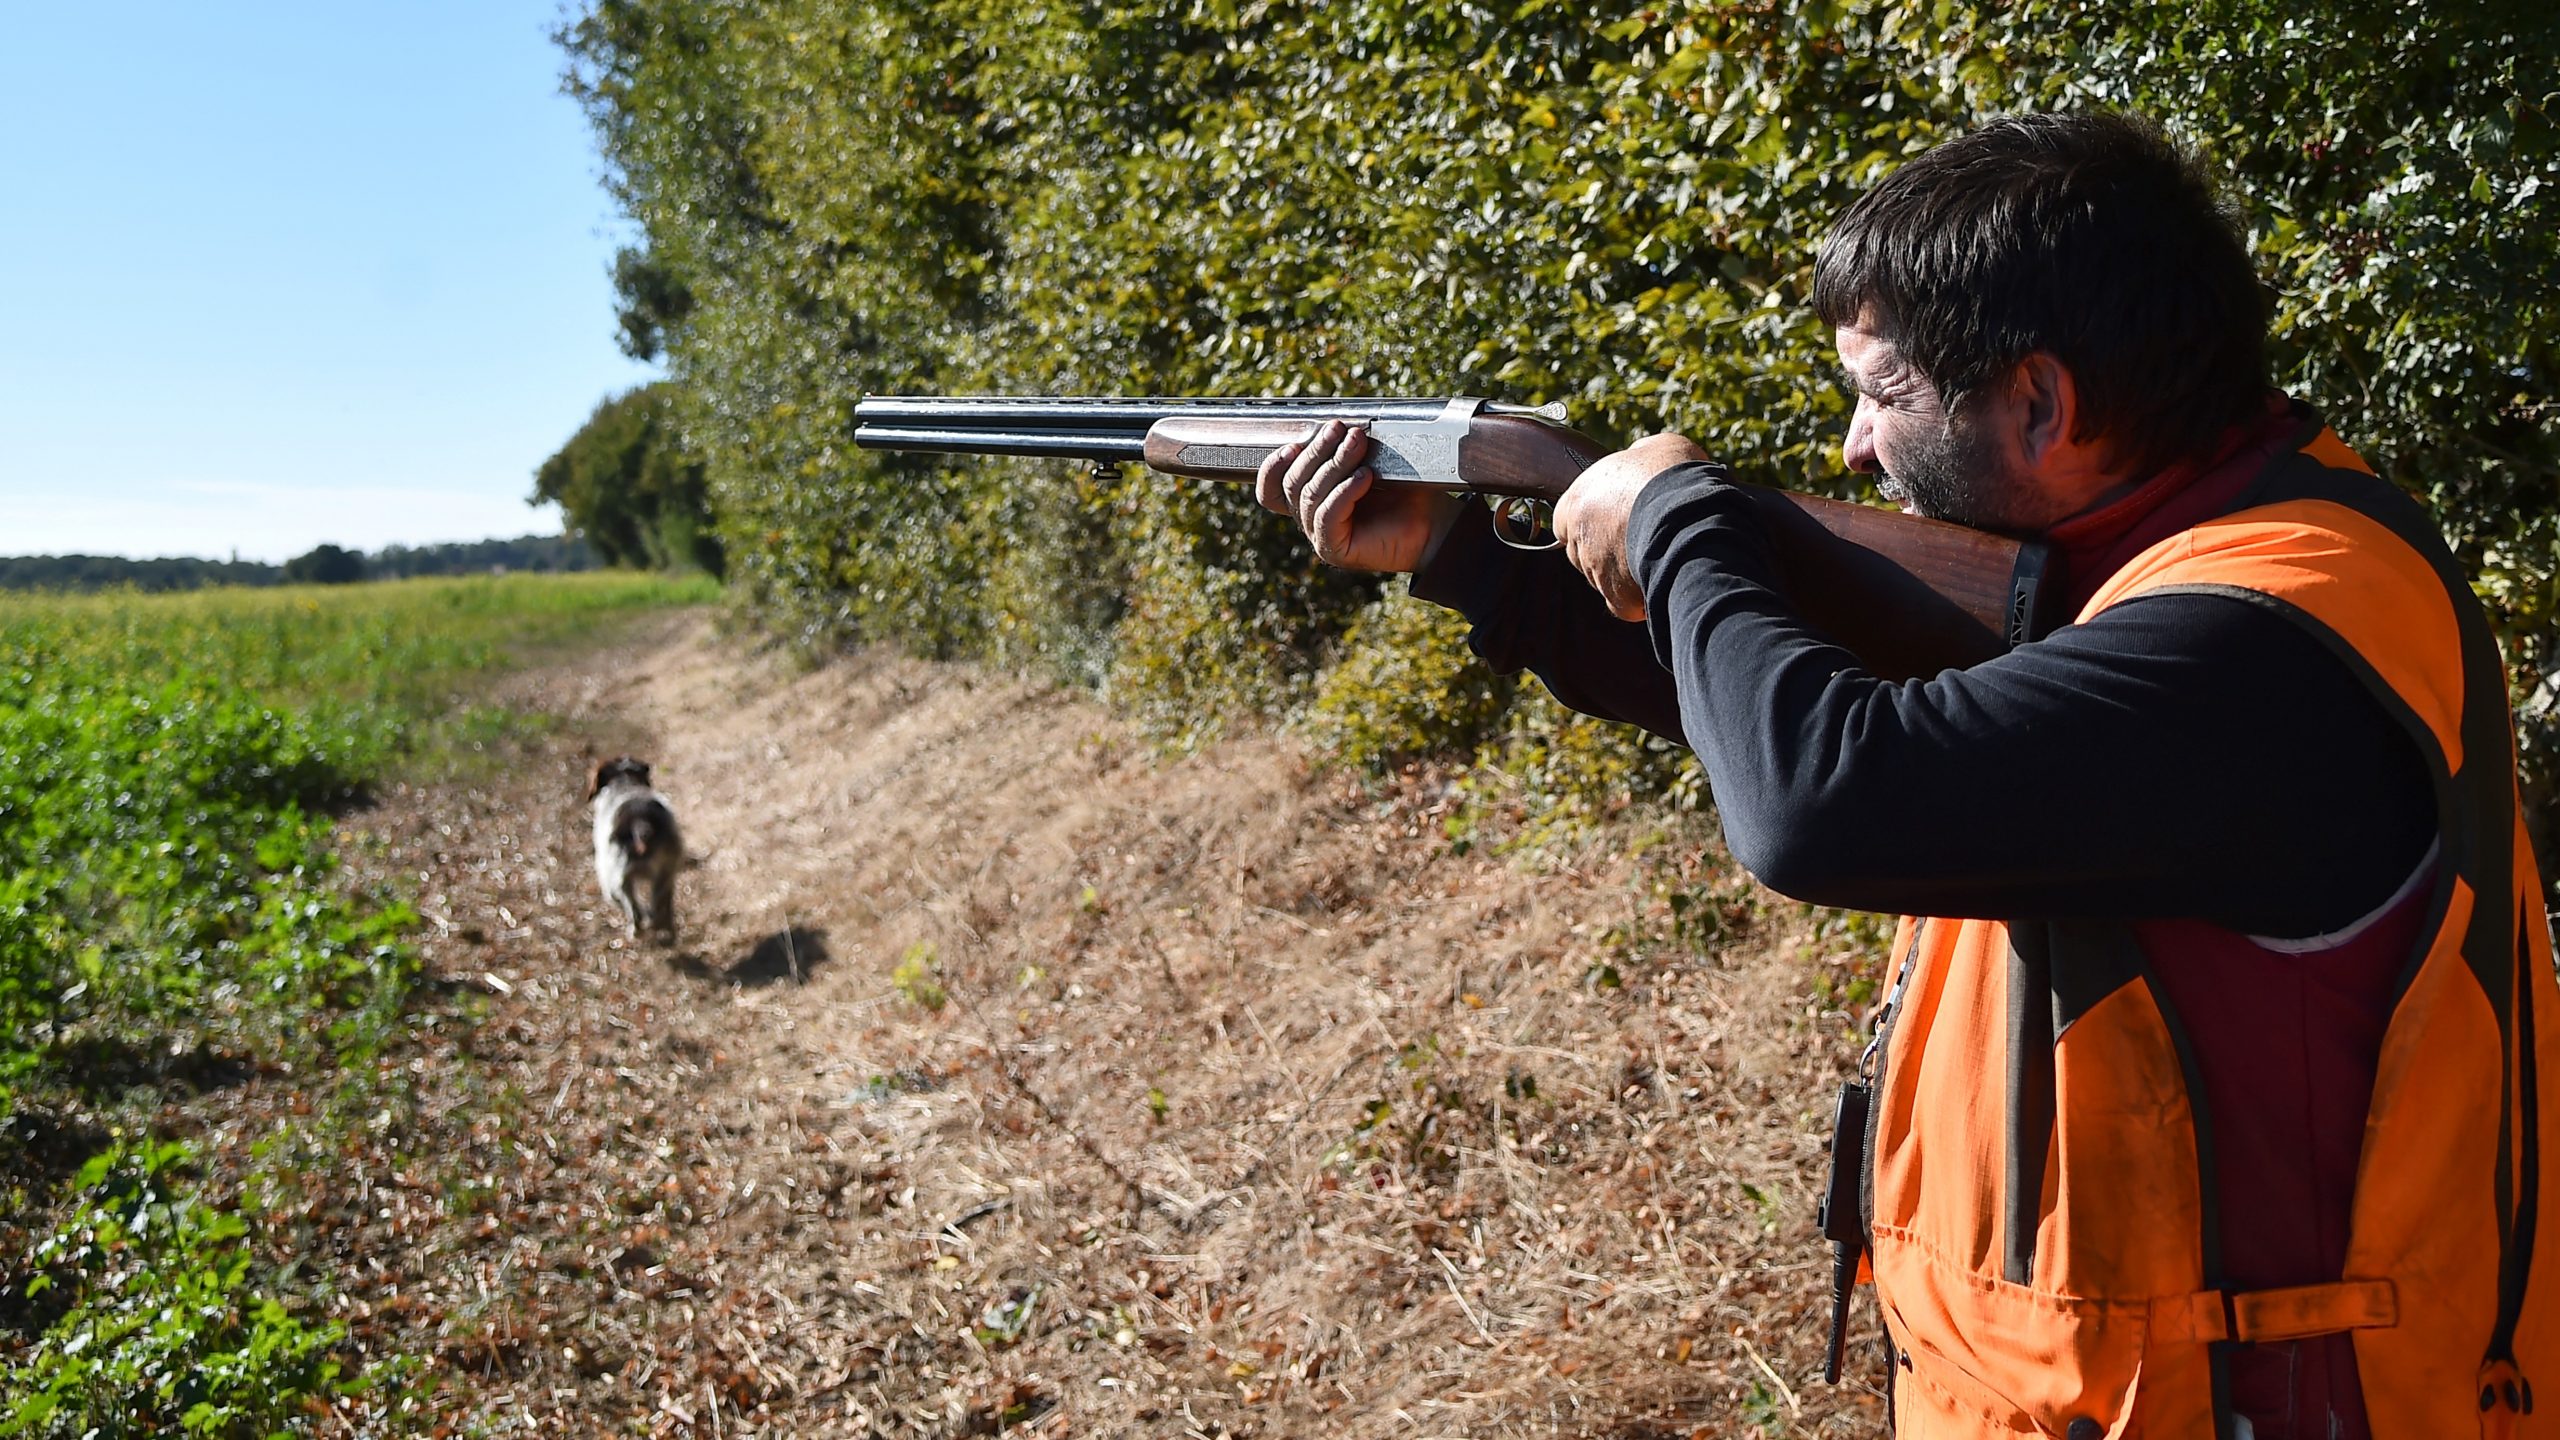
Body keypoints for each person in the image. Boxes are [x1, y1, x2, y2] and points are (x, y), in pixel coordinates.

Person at [1257, 111, 2560, 1439]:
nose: (1852, 450)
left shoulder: (2257, 640)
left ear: (2040, 401)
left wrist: (1680, 517)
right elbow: (1785, 707)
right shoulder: (2188, 553)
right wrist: (1463, 561)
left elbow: (1819, 797)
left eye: (1884, 397)